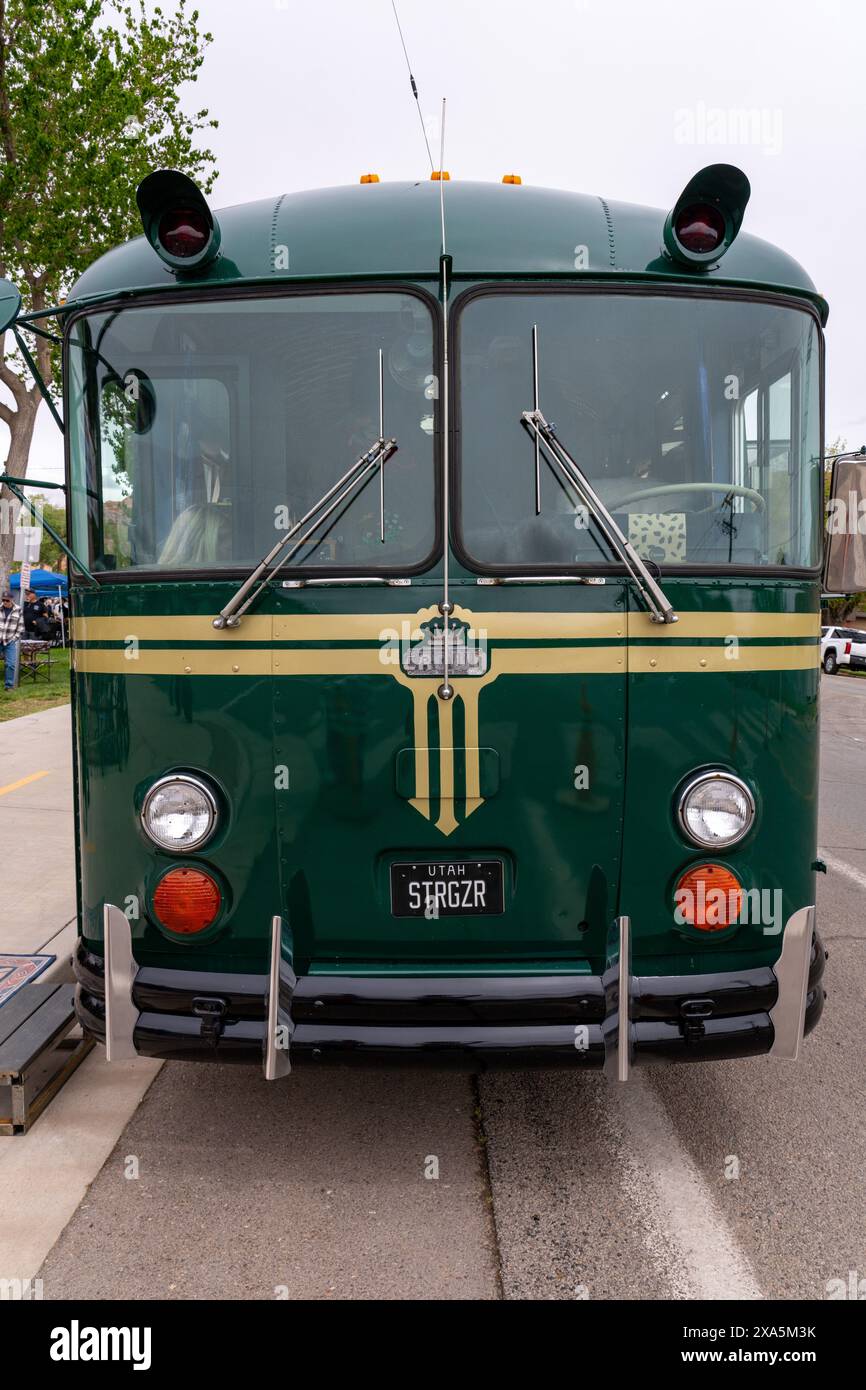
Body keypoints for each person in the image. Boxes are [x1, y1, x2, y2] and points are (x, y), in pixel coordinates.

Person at [0, 590, 23, 691]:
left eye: (7, 600)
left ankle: (9, 686)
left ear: (11, 600)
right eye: (3, 600)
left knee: (10, 664)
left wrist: (14, 639)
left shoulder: (18, 609)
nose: (5, 602)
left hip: (10, 640)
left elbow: (21, 627)